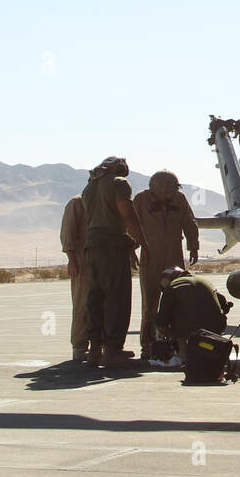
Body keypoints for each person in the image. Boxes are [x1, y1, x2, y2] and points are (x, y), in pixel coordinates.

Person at [81, 156, 143, 367]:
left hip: (92, 246)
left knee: (96, 298)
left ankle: (94, 349)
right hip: (112, 246)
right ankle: (113, 350)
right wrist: (141, 241)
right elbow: (127, 214)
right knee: (117, 298)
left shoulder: (89, 188)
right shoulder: (119, 183)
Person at [131, 170, 200, 353]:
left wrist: (194, 247)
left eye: (173, 188)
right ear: (155, 188)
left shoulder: (180, 199)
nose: (170, 193)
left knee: (178, 299)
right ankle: (148, 344)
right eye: (166, 188)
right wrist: (132, 251)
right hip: (150, 255)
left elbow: (189, 223)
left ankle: (177, 342)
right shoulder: (140, 200)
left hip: (174, 254)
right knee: (150, 302)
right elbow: (131, 225)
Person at [156, 267, 230, 358]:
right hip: (217, 328)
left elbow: (162, 323)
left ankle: (182, 354)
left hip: (190, 330)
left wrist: (168, 337)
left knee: (169, 319)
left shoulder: (172, 287)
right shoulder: (204, 281)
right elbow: (224, 305)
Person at [60, 194, 89, 364]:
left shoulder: (107, 200)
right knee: (82, 304)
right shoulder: (77, 203)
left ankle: (99, 345)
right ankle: (79, 347)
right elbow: (68, 232)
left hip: (102, 260)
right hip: (82, 260)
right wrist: (72, 259)